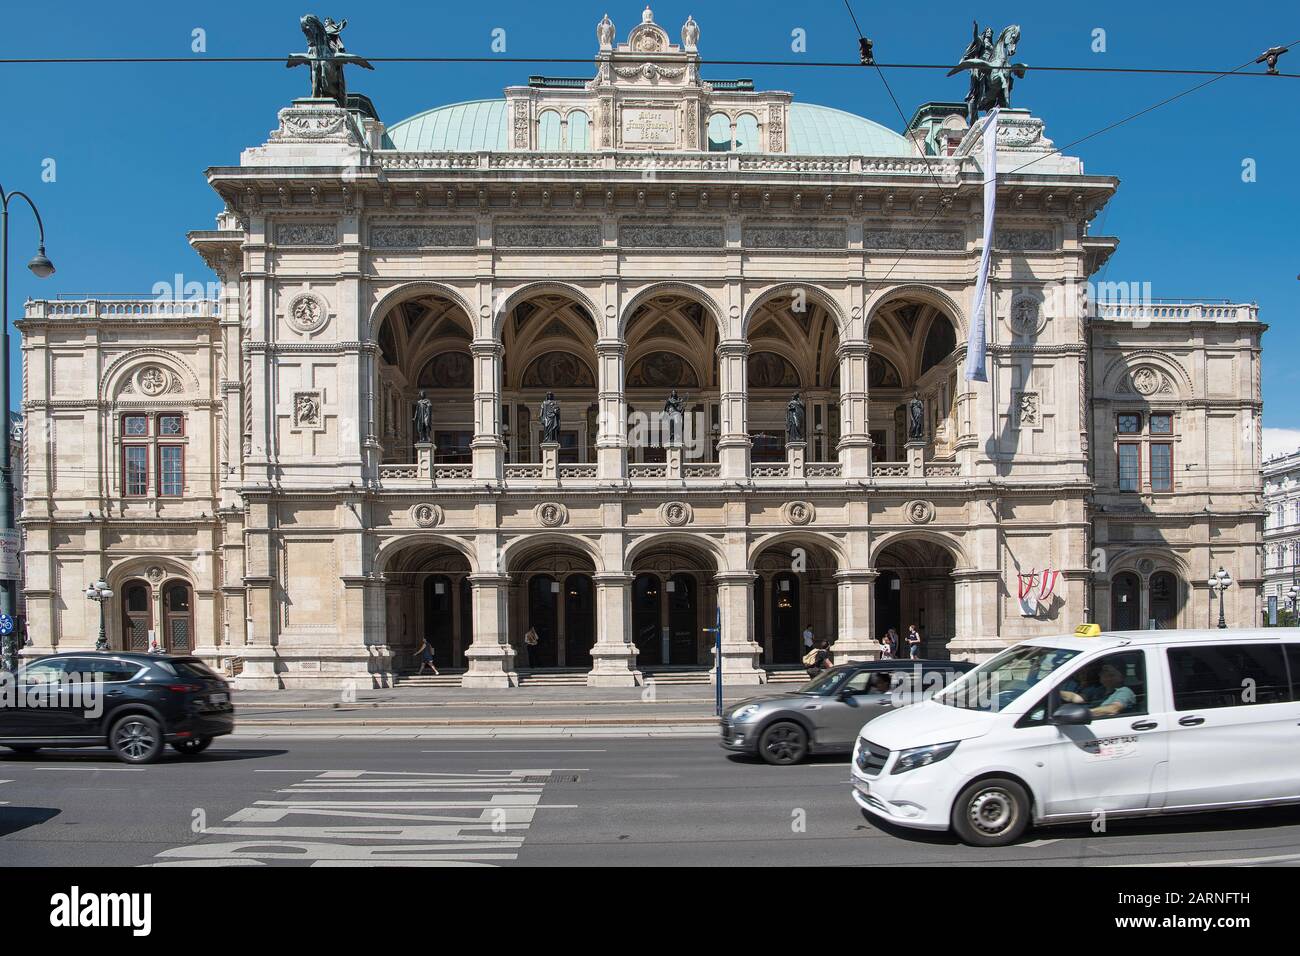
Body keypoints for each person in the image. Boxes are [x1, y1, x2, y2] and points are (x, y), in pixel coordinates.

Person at [1059, 662, 1136, 718]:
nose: (1107, 678)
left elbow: (1113, 708)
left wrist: (1086, 713)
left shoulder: (1124, 691)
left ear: (1122, 677)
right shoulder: (1099, 689)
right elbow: (1076, 697)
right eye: (1104, 675)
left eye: (1111, 675)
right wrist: (1054, 693)